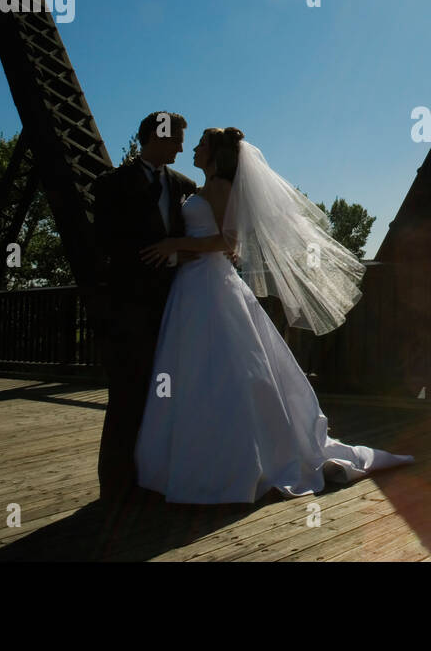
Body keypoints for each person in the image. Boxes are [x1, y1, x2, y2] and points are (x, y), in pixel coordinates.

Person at [132, 127, 413, 503]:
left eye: (200, 144)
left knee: (213, 367)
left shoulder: (219, 188)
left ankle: (226, 461)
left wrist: (174, 243)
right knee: (200, 367)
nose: (193, 149)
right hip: (194, 283)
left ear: (215, 154)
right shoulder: (203, 187)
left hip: (209, 285)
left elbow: (228, 242)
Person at [91, 111, 197, 506]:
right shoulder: (111, 186)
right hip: (130, 311)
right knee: (128, 395)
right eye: (178, 139)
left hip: (178, 309)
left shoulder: (186, 186)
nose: (183, 147)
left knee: (168, 397)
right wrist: (168, 260)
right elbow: (105, 247)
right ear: (159, 136)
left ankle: (156, 477)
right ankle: (116, 489)